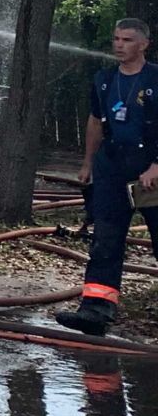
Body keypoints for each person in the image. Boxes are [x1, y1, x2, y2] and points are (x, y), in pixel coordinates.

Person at [54, 19, 158, 337]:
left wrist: (156, 165)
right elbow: (96, 122)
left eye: (126, 39)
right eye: (115, 38)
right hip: (112, 169)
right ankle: (96, 309)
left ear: (143, 45)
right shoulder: (103, 79)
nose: (118, 44)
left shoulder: (155, 78)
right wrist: (88, 163)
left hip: (149, 173)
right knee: (106, 241)